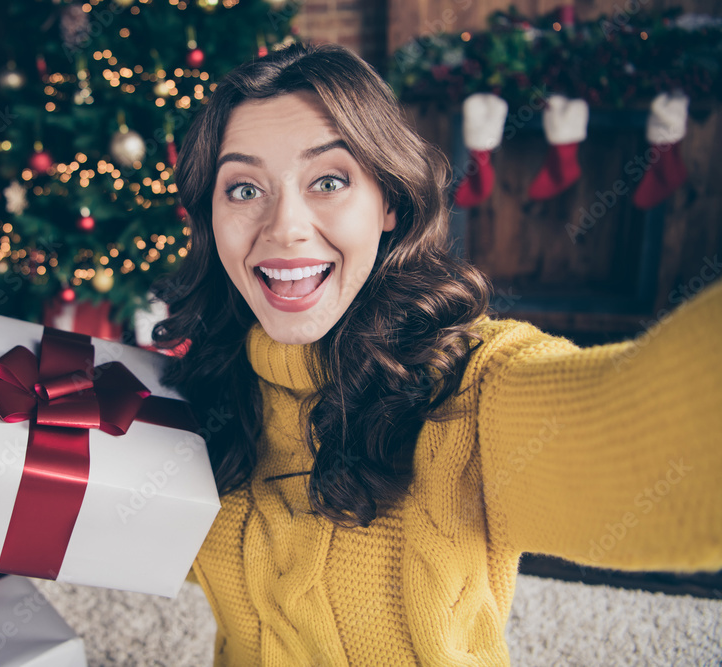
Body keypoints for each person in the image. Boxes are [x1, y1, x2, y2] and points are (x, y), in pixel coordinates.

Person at [151, 42, 722, 665]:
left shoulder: (476, 390)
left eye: (329, 182)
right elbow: (154, 546)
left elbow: (667, 446)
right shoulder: (203, 379)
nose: (285, 227)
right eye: (243, 189)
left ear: (389, 202)